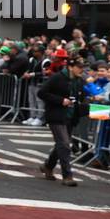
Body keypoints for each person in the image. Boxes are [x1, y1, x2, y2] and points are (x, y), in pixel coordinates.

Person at [37, 53, 86, 186]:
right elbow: (41, 93)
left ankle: (48, 166)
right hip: (56, 115)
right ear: (71, 67)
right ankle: (67, 175)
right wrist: (60, 100)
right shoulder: (57, 78)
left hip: (70, 117)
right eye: (79, 67)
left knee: (61, 145)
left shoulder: (80, 80)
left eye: (82, 67)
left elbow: (81, 98)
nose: (82, 70)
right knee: (64, 144)